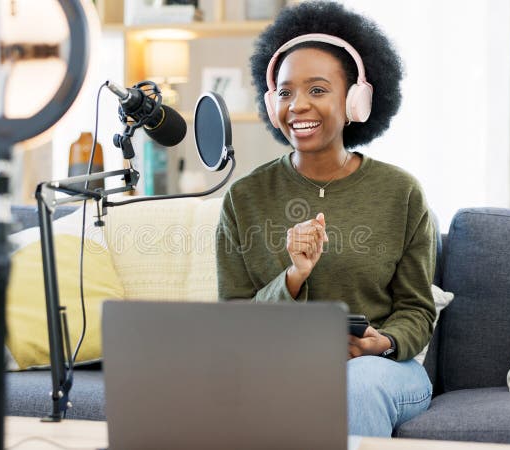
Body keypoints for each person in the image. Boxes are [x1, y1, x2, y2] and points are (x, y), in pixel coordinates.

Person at [215, 0, 436, 437]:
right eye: (284, 92)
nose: (297, 105)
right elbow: (235, 324)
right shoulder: (244, 198)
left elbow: (416, 309)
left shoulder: (401, 193)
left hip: (377, 373)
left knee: (353, 385)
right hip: (282, 368)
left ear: (356, 100)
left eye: (317, 90)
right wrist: (293, 277)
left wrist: (384, 342)